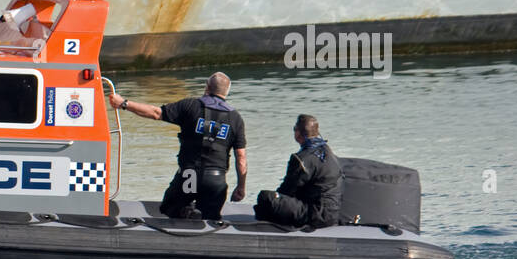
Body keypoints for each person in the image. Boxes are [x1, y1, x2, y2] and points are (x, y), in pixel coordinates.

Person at [108, 72, 247, 220]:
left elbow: (156, 113)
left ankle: (187, 214)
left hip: (190, 176)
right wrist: (241, 187)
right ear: (226, 91)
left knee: (171, 207)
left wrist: (124, 103)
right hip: (215, 179)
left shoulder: (191, 106)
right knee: (211, 219)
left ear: (207, 87)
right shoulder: (236, 119)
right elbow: (241, 158)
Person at [253, 114, 342, 228]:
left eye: (294, 129)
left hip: (313, 214)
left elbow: (287, 189)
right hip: (332, 214)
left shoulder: (301, 158)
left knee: (266, 197)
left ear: (298, 133)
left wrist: (277, 201)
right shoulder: (328, 151)